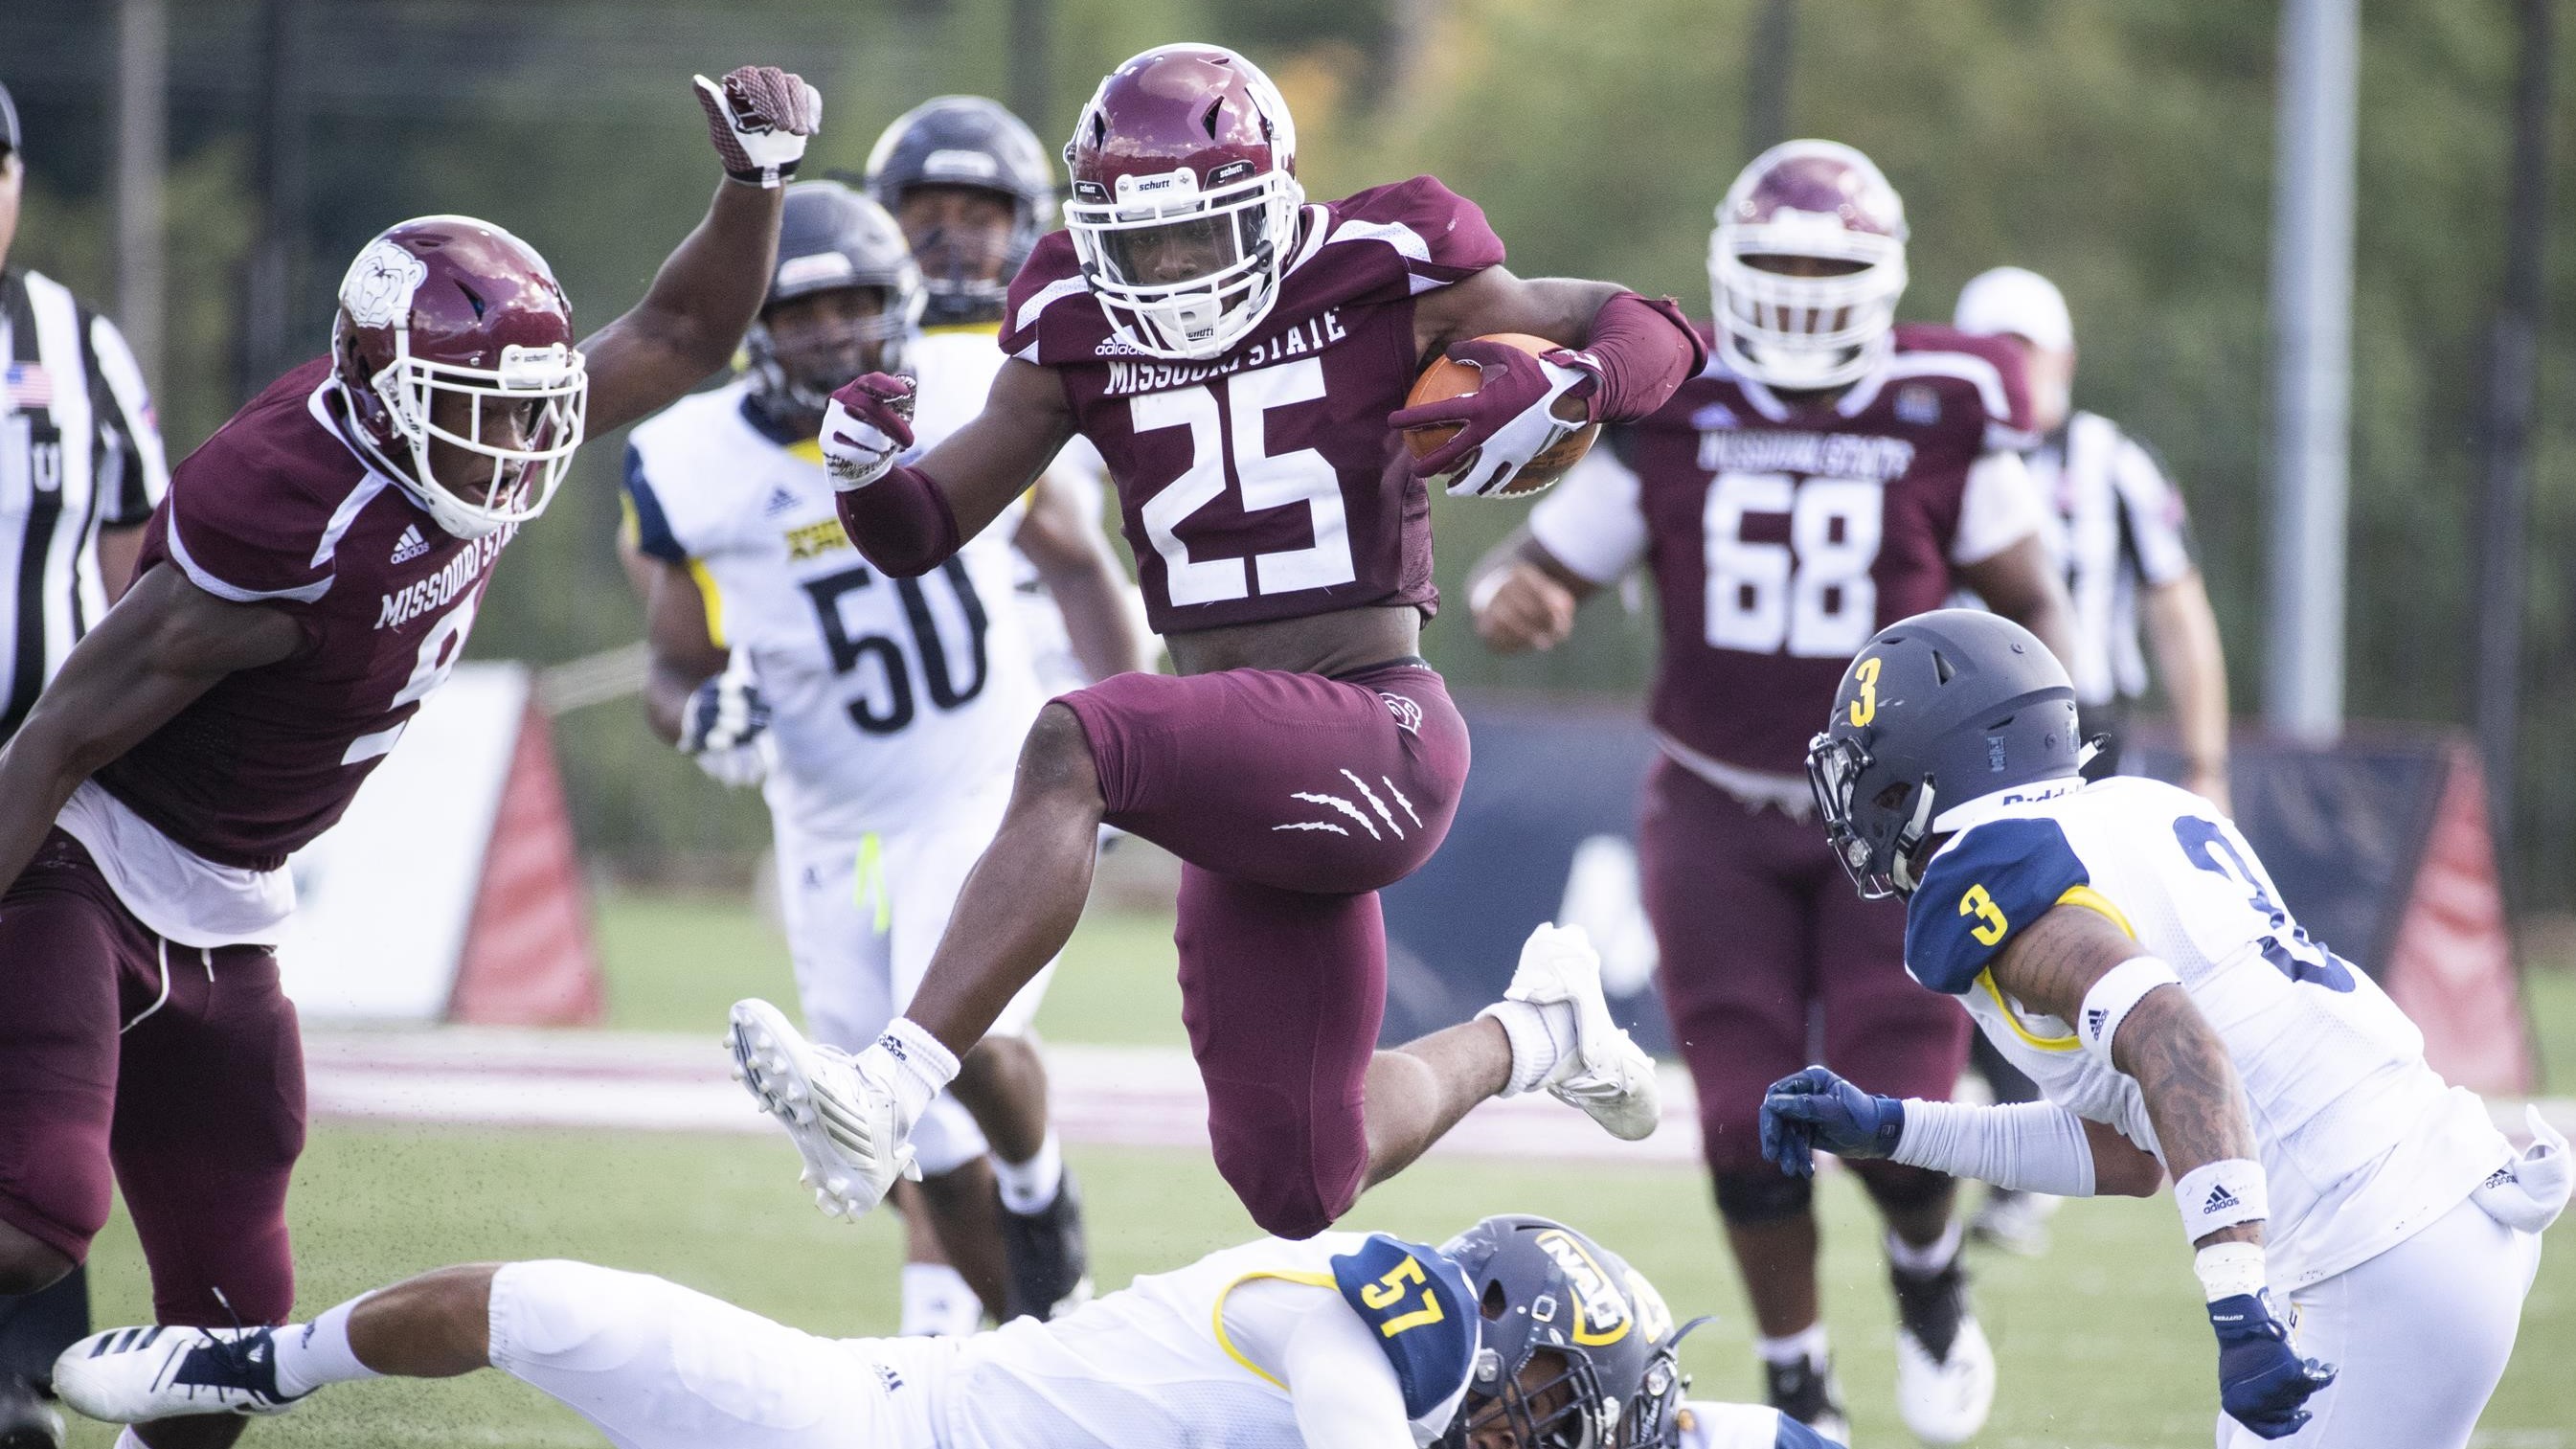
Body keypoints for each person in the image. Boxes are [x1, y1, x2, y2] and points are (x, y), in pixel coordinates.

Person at [731, 41, 1710, 1242]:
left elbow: (1657, 329)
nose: (1172, 265)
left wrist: (1576, 387)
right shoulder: (1074, 321)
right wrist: (863, 476)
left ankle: (887, 1083)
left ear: (1274, 198)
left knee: (1079, 738)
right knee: (1299, 1177)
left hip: (1376, 726)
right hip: (1239, 771)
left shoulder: (1385, 264)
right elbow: (920, 528)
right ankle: (1537, 1033)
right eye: (1139, 241)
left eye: (1200, 230)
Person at [0, 65, 819, 1449]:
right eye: (470, 406)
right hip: (92, 853)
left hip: (232, 896)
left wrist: (754, 185)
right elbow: (62, 731)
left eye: (521, 406)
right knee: (35, 1213)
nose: (508, 443)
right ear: (377, 391)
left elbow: (680, 333)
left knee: (225, 1349)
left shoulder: (478, 428)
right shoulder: (287, 519)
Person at [1467, 139, 2076, 1445]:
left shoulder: (1941, 399)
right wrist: (1510, 594)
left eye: (1824, 266)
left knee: (1893, 1107)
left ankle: (1927, 1276)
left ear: (1880, 277)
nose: (1799, 290)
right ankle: (1796, 1372)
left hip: (1905, 820)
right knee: (1744, 1119)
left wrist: (2046, 756)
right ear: (1726, 273)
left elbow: (2031, 603)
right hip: (1714, 803)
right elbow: (1541, 565)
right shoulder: (1677, 401)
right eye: (1776, 264)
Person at [1769, 607, 2568, 1447]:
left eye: (1878, 785)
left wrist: (2235, 1298)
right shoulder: (2133, 809)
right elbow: (2130, 1146)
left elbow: (2178, 1043)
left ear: (1936, 772)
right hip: (2452, 1201)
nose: (1861, 813)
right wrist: (1896, 1128)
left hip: (2374, 1241)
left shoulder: (1991, 875)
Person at [620, 177, 1145, 1334]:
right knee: (902, 1133)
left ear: (901, 303)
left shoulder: (963, 388)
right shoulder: (688, 460)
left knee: (961, 1044)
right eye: (803, 312)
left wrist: (1133, 728)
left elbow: (1073, 554)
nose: (833, 333)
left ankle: (1040, 1183)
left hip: (977, 788)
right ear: (755, 330)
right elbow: (674, 663)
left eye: (856, 304)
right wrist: (692, 715)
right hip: (834, 833)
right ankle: (1040, 1341)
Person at [50, 1211, 1842, 1449]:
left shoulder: (1506, 1378)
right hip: (891, 1431)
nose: (1546, 1432)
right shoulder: (1355, 1324)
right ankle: (254, 1361)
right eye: (1542, 1400)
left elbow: (1743, 1432)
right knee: (553, 1305)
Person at [1945, 264, 2235, 1257]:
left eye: (2028, 349)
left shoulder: (2113, 459)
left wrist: (2204, 761)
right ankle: (2049, 1154)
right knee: (1985, 940)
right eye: (1997, 350)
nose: (2015, 371)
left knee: (2106, 946)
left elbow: (2177, 613)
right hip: (1959, 735)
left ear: (2062, 358)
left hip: (2085, 722)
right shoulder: (1944, 448)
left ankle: (2172, 1131)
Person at [0, 79, 171, 1449]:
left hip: (46, 780)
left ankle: (33, 1369)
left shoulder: (75, 341)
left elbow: (140, 566)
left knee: (48, 1083)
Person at [862, 94, 1146, 698]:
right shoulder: (858, 355)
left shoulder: (1078, 332)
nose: (952, 239)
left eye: (977, 218)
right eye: (928, 216)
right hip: (899, 637)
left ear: (1024, 223)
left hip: (1057, 624)